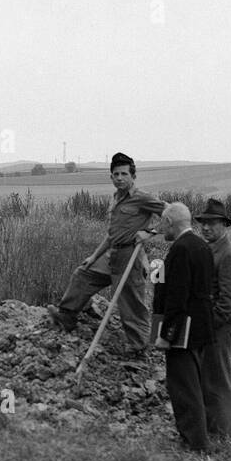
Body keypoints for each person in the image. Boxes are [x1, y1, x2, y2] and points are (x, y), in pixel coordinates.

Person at [47, 152, 163, 354]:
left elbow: (172, 213)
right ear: (111, 177)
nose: (119, 178)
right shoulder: (116, 199)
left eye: (124, 174)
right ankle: (67, 316)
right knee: (83, 274)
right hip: (111, 254)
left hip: (130, 256)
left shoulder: (142, 198)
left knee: (131, 303)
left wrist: (149, 232)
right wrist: (94, 256)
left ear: (133, 176)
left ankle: (139, 348)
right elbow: (111, 235)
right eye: (116, 174)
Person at [152, 202, 215, 455]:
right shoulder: (202, 246)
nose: (160, 227)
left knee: (183, 386)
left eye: (161, 223)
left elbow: (177, 297)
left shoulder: (180, 249)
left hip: (184, 332)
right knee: (194, 383)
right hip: (202, 327)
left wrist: (167, 335)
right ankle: (198, 436)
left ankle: (196, 442)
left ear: (169, 223)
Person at [196, 198, 231, 442]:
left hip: (219, 327)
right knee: (207, 379)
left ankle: (224, 435)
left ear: (224, 224)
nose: (206, 228)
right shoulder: (209, 249)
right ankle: (212, 430)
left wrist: (208, 323)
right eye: (203, 223)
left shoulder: (230, 254)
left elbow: (230, 300)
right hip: (208, 326)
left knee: (218, 381)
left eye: (212, 223)